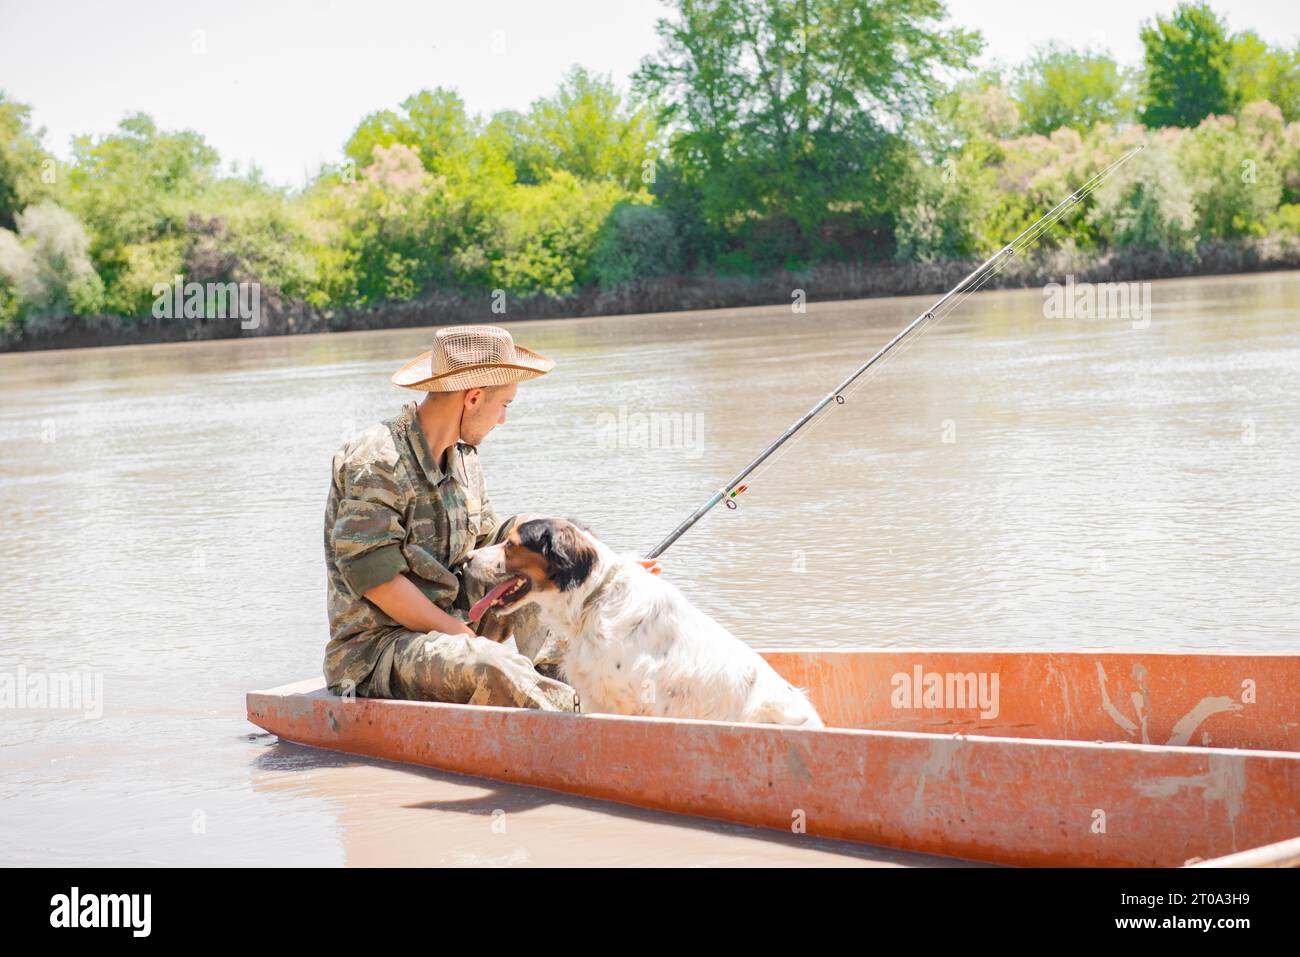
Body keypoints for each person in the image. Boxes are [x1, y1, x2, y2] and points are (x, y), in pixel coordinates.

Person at [322, 324, 580, 710]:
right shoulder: (377, 461)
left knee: (538, 543)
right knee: (493, 665)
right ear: (473, 397)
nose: (503, 420)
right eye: (504, 405)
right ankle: (574, 723)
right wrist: (463, 637)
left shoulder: (464, 460)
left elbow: (491, 551)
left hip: (456, 623)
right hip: (378, 652)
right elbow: (379, 582)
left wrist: (592, 565)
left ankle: (570, 685)